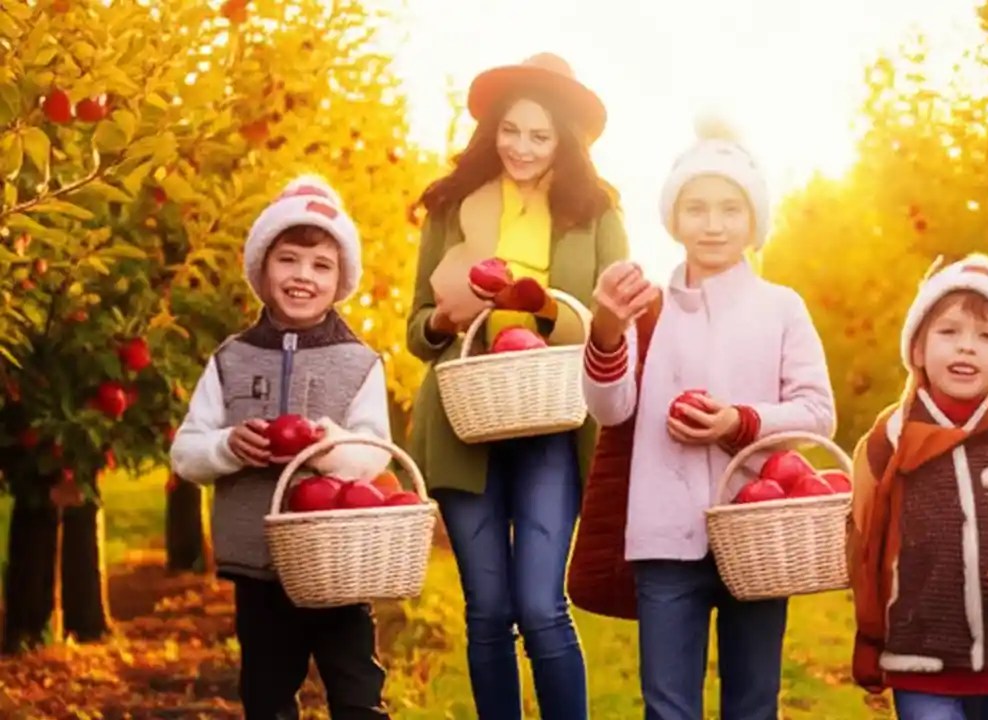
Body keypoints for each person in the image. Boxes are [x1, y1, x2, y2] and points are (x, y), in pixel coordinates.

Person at [579, 118, 837, 720]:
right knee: (668, 705)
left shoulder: (780, 308)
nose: (713, 224)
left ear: (754, 220)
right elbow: (610, 408)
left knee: (752, 703)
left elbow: (816, 414)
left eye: (730, 208)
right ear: (673, 218)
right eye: (696, 207)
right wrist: (608, 331)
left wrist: (739, 424)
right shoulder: (646, 308)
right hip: (665, 537)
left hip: (757, 530)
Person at [403, 52, 627, 719]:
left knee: (539, 604)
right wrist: (448, 313)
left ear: (564, 140)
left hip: (551, 421)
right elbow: (417, 332)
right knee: (487, 610)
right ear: (492, 129)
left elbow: (614, 321)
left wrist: (544, 306)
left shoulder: (595, 213)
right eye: (511, 130)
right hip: (464, 419)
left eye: (540, 135)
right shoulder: (451, 208)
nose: (521, 147)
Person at [170, 175, 393, 720]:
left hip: (339, 560)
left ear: (341, 279)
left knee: (357, 691)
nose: (302, 277)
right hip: (258, 564)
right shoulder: (231, 357)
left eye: (321, 266)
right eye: (288, 260)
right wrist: (228, 446)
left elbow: (375, 452)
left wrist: (329, 447)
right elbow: (186, 451)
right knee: (267, 697)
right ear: (261, 271)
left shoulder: (359, 362)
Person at [846, 254, 988, 720]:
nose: (966, 348)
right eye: (948, 332)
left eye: (986, 336)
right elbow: (862, 538)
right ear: (917, 349)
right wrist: (871, 631)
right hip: (921, 658)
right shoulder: (889, 438)